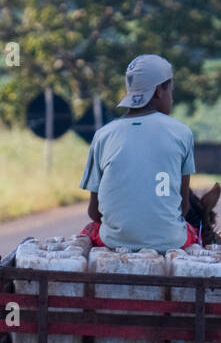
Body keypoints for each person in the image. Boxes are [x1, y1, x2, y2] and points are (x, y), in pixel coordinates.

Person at [79, 54, 200, 252]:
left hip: (114, 241)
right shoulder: (182, 133)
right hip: (170, 240)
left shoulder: (103, 135)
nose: (171, 97)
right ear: (159, 91)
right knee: (197, 234)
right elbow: (183, 207)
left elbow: (94, 212)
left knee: (90, 231)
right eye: (171, 90)